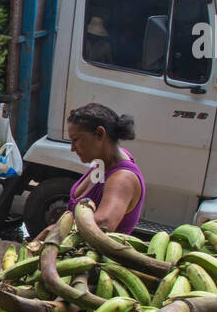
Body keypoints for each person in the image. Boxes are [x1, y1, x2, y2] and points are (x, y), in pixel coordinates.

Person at [32, 103, 145, 240]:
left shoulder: (122, 178)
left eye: (76, 140)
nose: (72, 148)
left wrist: (55, 230)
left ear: (100, 133)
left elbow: (103, 224)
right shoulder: (102, 162)